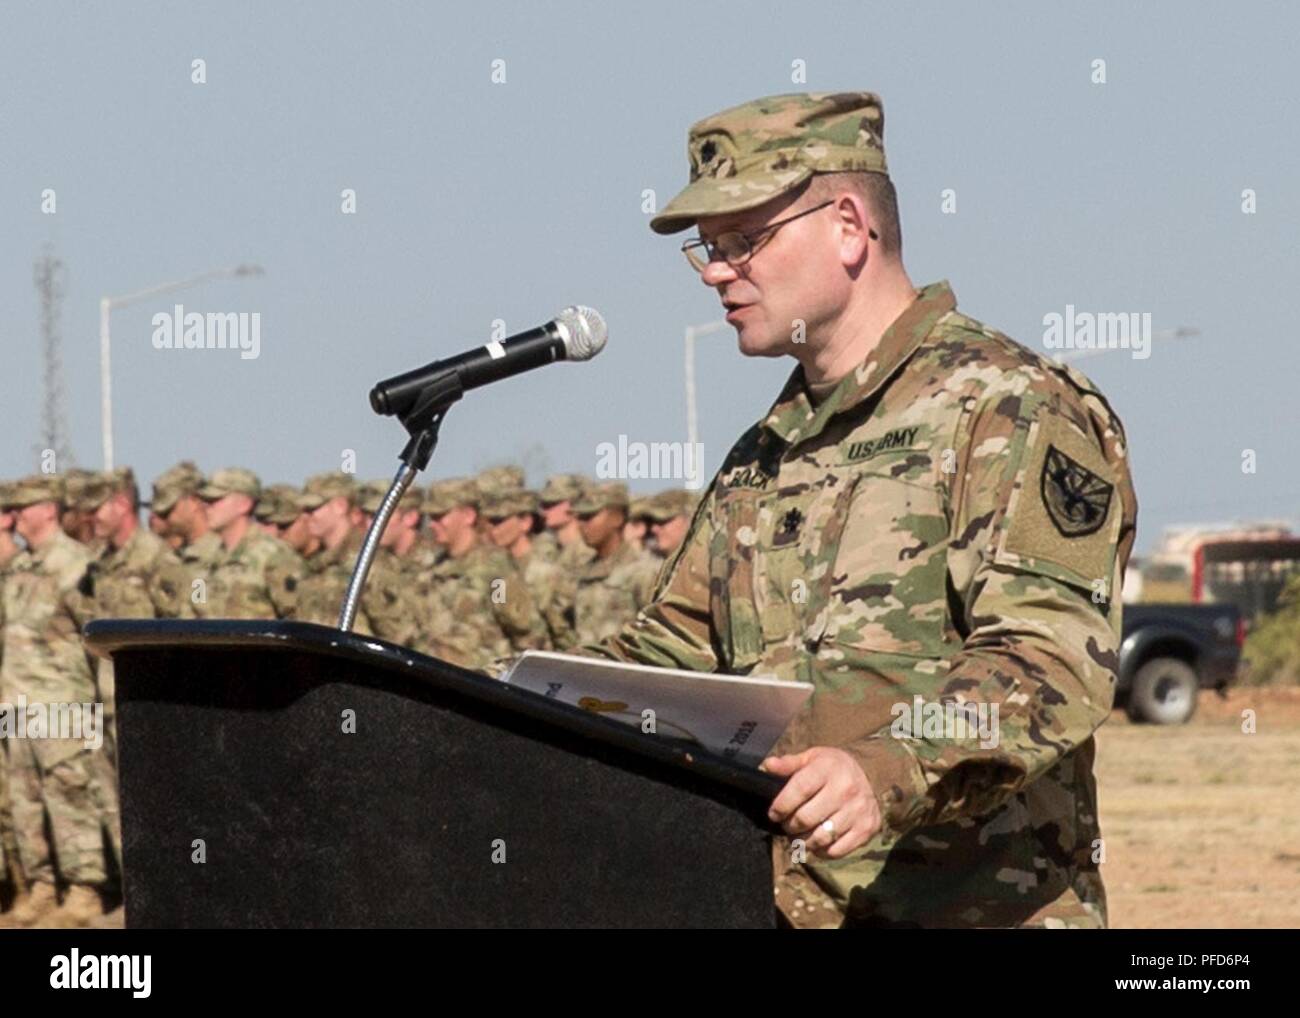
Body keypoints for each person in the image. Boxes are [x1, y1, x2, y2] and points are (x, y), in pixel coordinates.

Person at [574, 91, 1137, 928]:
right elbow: (667, 657)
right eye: (709, 249)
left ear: (847, 224)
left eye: (745, 240)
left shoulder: (1006, 407)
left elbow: (1049, 658)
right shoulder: (766, 452)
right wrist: (483, 703)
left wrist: (884, 768)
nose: (719, 272)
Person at [1, 475, 120, 926]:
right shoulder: (23, 567)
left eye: (22, 508)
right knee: (28, 801)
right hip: (18, 703)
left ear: (47, 510)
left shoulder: (75, 565)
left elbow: (98, 632)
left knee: (71, 796)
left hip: (64, 702)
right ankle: (42, 886)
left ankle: (86, 889)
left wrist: (105, 704)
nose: (15, 518)